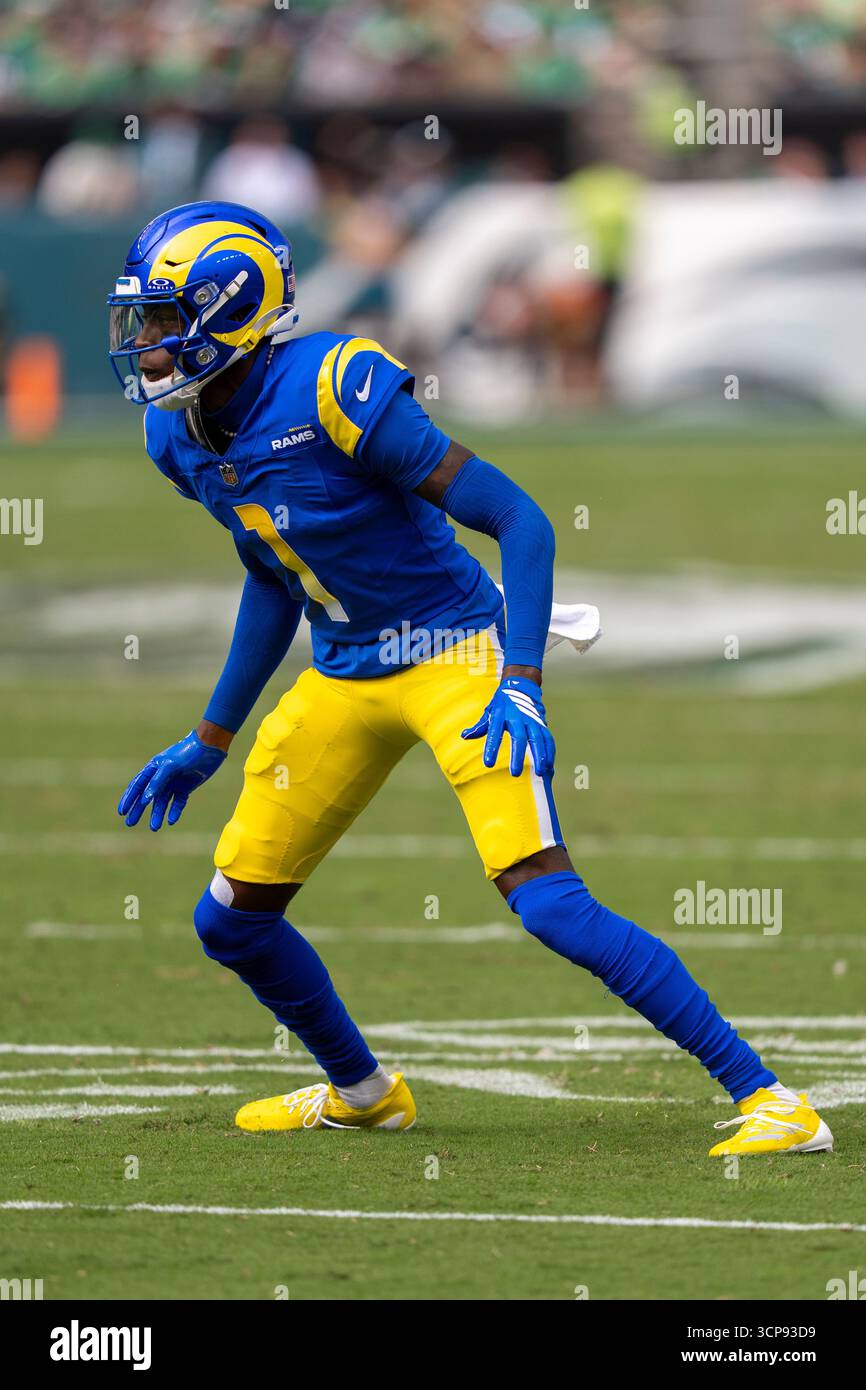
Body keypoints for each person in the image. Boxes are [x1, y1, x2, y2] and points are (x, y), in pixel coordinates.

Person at [108, 200, 832, 1155]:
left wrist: (521, 680)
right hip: (346, 671)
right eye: (143, 320)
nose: (147, 342)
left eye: (164, 318)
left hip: (455, 651)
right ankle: (365, 1092)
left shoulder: (334, 384)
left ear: (229, 307)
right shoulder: (180, 435)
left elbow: (522, 520)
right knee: (231, 921)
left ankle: (773, 1100)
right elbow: (270, 573)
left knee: (549, 903)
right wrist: (210, 738)